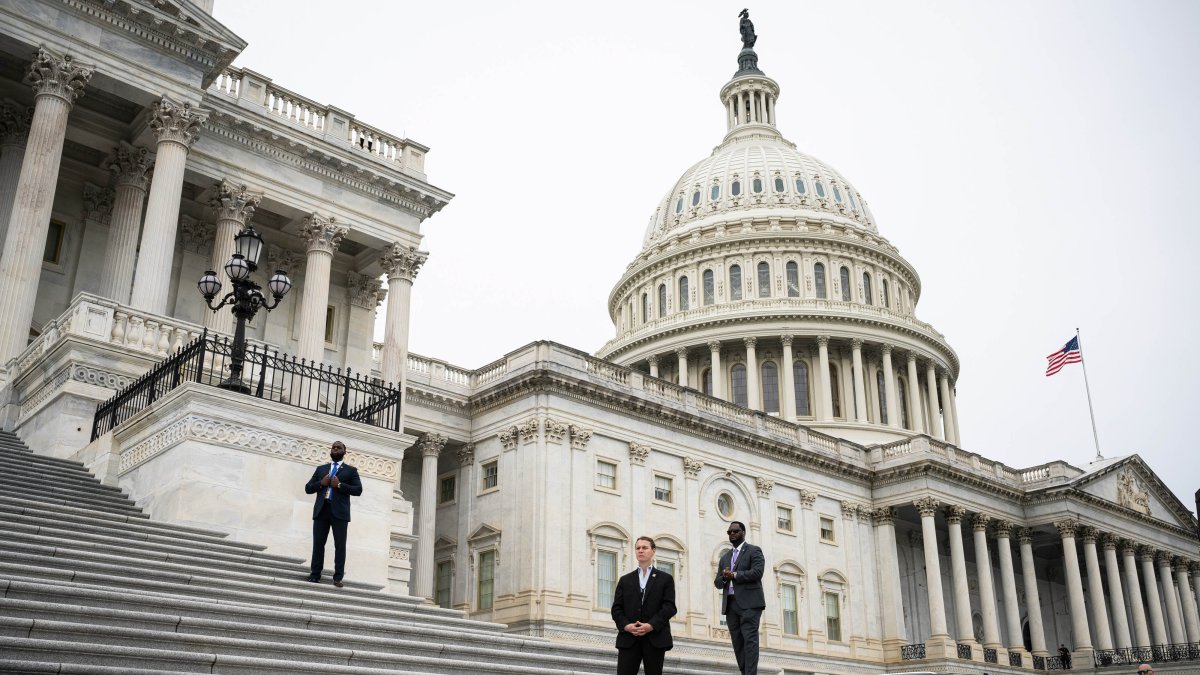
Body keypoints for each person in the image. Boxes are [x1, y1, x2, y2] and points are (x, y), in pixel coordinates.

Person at [611, 536, 676, 675]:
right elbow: (616, 609)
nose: (640, 550)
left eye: (645, 547)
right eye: (638, 548)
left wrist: (651, 625)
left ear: (653, 551)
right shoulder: (625, 580)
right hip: (629, 638)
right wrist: (626, 626)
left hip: (655, 638)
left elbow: (669, 607)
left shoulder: (666, 579)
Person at [304, 440, 362, 588]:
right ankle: (315, 574)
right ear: (331, 451)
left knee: (340, 545)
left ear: (344, 451)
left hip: (340, 514)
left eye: (339, 448)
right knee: (318, 544)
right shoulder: (321, 469)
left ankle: (338, 578)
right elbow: (308, 488)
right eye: (334, 447)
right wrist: (321, 483)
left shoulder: (351, 471)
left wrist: (340, 485)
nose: (335, 449)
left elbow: (358, 490)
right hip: (321, 510)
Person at [714, 521, 765, 675]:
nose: (732, 534)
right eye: (729, 532)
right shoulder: (725, 557)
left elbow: (757, 572)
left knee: (750, 641)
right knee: (738, 643)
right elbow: (717, 583)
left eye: (735, 531)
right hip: (731, 605)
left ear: (743, 532)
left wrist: (735, 575)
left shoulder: (754, 551)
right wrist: (724, 577)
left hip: (750, 604)